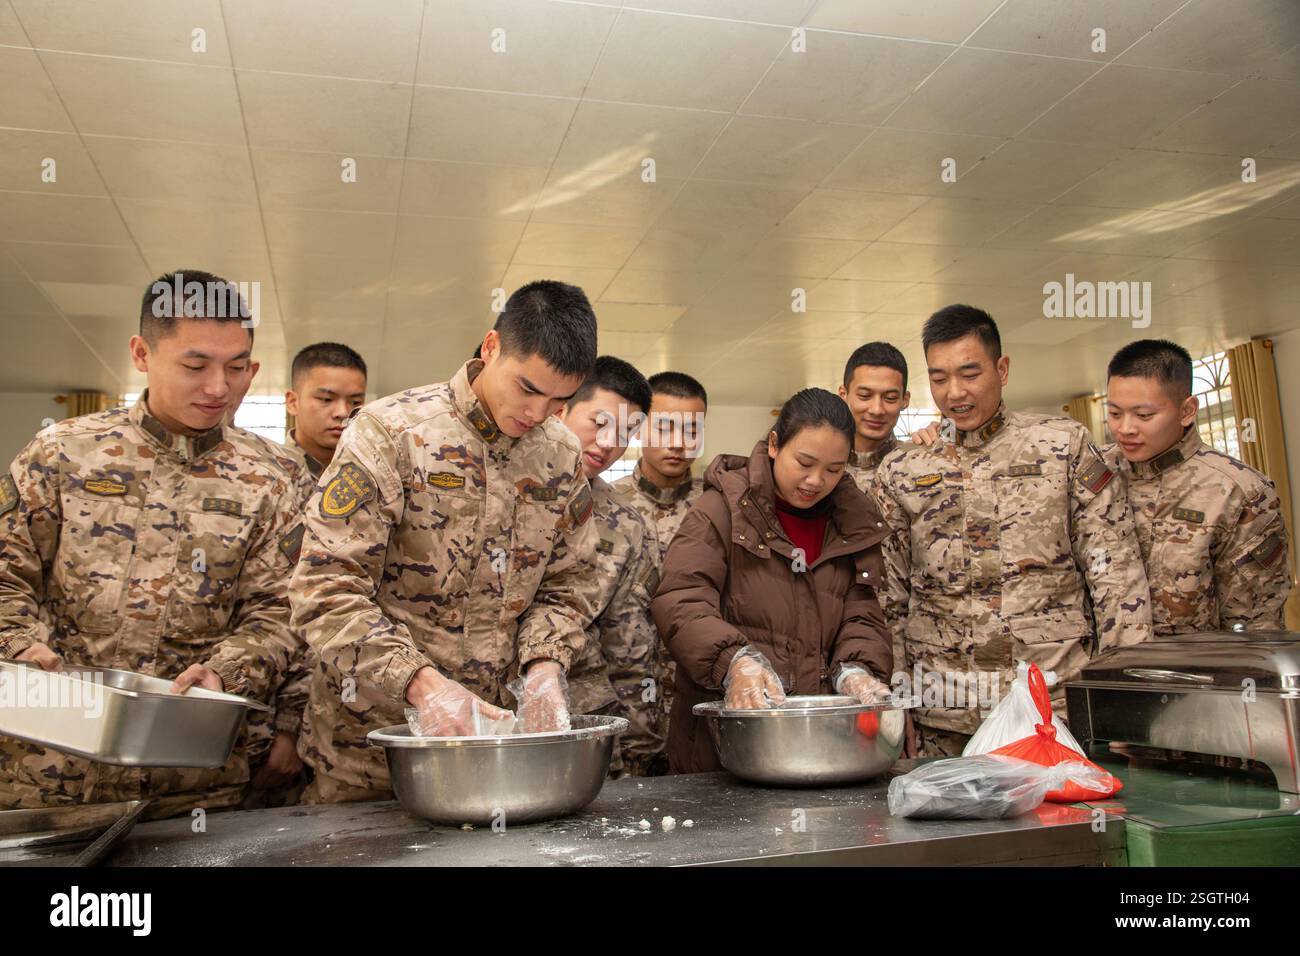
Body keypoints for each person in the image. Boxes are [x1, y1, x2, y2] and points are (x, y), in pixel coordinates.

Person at [0, 269, 303, 817]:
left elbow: (281, 609)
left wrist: (226, 672)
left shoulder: (275, 475)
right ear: (142, 353)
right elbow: (6, 574)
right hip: (46, 767)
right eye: (195, 365)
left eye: (237, 368)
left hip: (193, 779)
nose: (219, 388)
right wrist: (19, 646)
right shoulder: (63, 452)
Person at [289, 280, 604, 803]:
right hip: (370, 747)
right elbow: (324, 588)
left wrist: (545, 666)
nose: (537, 413)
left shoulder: (560, 455)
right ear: (490, 347)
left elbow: (570, 583)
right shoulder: (392, 434)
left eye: (559, 400)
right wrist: (420, 684)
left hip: (493, 745)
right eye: (527, 389)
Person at [875, 304, 1153, 757]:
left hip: (1051, 705)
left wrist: (1125, 697)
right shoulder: (904, 468)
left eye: (969, 373)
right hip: (943, 710)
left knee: (1063, 826)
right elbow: (889, 598)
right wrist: (895, 702)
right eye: (939, 377)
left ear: (1002, 369)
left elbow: (1116, 576)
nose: (955, 392)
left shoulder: (1063, 446)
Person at [652, 388, 894, 773]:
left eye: (834, 469)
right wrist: (733, 662)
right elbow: (683, 599)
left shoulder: (851, 524)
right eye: (805, 462)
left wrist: (856, 669)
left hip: (818, 743)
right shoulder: (721, 511)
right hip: (726, 748)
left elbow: (861, 614)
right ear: (775, 444)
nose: (816, 480)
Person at [243, 342, 368, 806]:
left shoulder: (369, 484)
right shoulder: (259, 479)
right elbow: (275, 607)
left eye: (355, 403)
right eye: (326, 398)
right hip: (253, 711)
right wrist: (285, 726)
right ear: (292, 401)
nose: (343, 413)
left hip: (340, 720)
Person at [1103, 339, 1292, 633]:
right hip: (1103, 672)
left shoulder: (1238, 492)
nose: (1125, 428)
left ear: (1187, 410)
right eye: (1115, 413)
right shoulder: (1093, 474)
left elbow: (1254, 627)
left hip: (1196, 673)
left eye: (1144, 416)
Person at [556, 357, 663, 776]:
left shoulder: (624, 524)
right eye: (598, 422)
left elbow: (630, 648)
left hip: (584, 731)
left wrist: (642, 751)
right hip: (481, 722)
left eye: (625, 432)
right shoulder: (497, 493)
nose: (607, 443)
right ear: (561, 408)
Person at [611, 371, 708, 744]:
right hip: (621, 707)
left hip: (695, 703)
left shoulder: (717, 507)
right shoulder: (606, 505)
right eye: (665, 428)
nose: (678, 444)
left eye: (691, 431)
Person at [839, 341, 912, 504]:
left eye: (890, 398)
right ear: (844, 394)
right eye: (865, 396)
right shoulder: (823, 463)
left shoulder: (917, 462)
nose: (877, 410)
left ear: (905, 400)